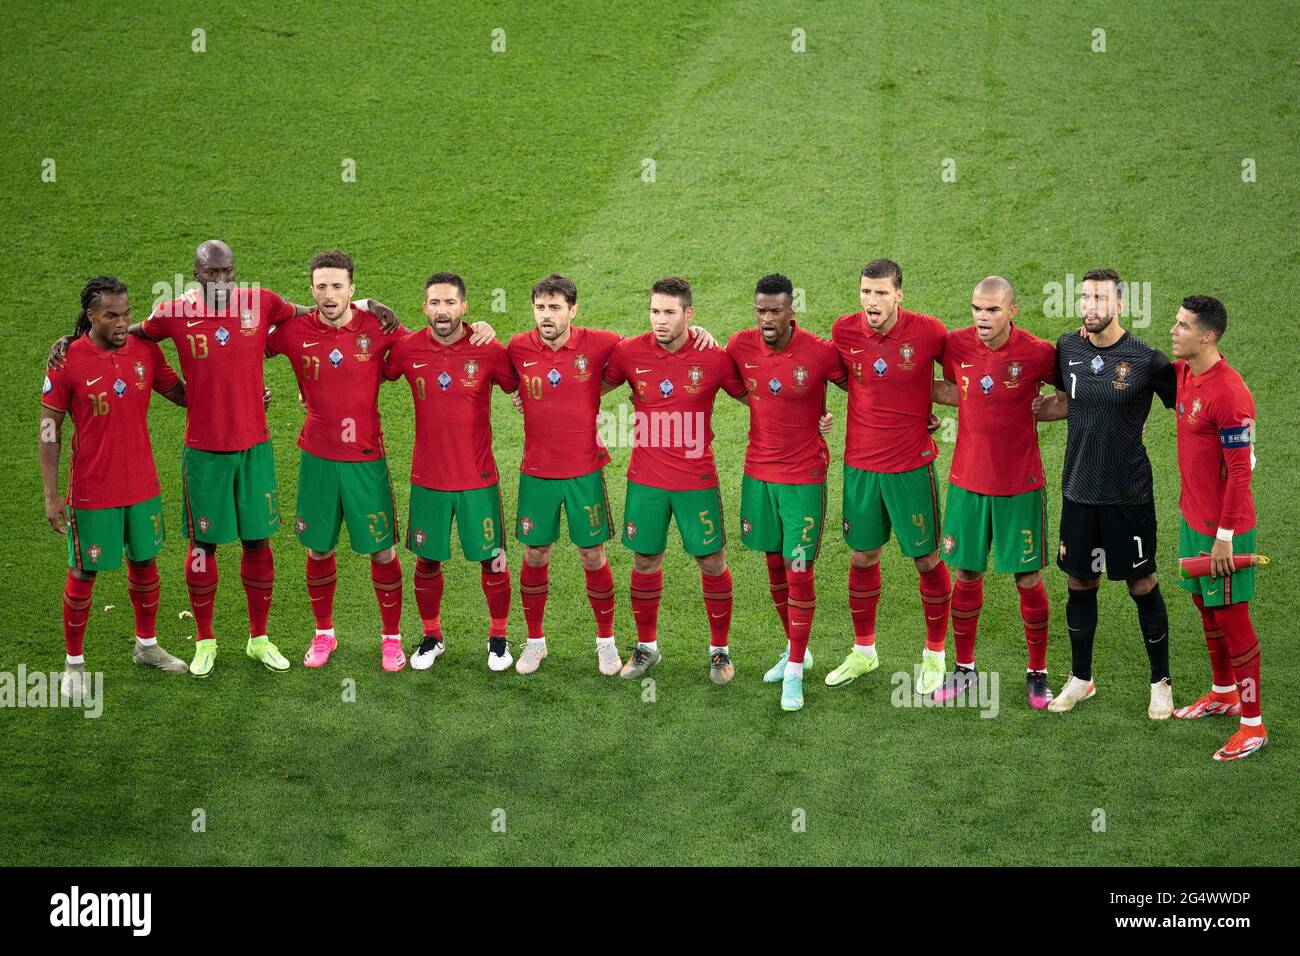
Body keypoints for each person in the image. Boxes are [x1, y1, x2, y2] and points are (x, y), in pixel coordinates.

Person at [47, 240, 402, 678]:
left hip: (255, 447)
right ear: (196, 274)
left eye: (227, 272)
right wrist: (75, 338)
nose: (220, 281)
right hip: (203, 451)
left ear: (236, 272)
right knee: (202, 547)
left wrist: (365, 301)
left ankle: (259, 639)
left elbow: (318, 310)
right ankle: (205, 642)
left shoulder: (263, 303)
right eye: (210, 273)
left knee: (258, 542)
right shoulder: (174, 313)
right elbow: (127, 331)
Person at [1032, 269, 1177, 718]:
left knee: (1142, 582)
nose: (1089, 308)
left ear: (1119, 305)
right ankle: (1081, 678)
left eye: (1099, 300)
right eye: (1084, 299)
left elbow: (1188, 407)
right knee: (1079, 581)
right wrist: (1031, 412)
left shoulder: (1147, 360)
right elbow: (1065, 401)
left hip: (1128, 495)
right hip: (1079, 490)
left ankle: (1161, 682)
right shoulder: (1068, 347)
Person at [39, 276, 189, 700]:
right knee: (84, 571)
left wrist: (243, 396)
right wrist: (52, 494)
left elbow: (181, 394)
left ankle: (147, 646)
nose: (123, 322)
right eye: (112, 316)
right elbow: (49, 428)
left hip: (141, 483)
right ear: (91, 316)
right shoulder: (67, 360)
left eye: (126, 313)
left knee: (145, 564)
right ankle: (73, 665)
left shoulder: (144, 350)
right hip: (92, 489)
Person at [603, 276, 748, 683]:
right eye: (654, 311)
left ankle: (719, 651)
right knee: (645, 559)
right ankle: (647, 648)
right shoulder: (629, 352)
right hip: (645, 480)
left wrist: (815, 417)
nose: (660, 320)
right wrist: (527, 394)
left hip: (696, 480)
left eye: (669, 312)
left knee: (712, 560)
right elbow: (584, 387)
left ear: (689, 315)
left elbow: (758, 399)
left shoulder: (714, 358)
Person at [825, 259, 953, 695]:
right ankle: (864, 652)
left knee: (927, 560)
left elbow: (960, 381)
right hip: (860, 466)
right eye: (865, 292)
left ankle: (935, 654)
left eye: (881, 293)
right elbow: (845, 377)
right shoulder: (843, 330)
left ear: (899, 294)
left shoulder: (929, 331)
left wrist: (924, 404)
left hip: (910, 468)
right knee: (862, 557)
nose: (872, 302)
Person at [933, 276, 1058, 709]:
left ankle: (1038, 673)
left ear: (1012, 312)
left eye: (992, 310)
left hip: (1020, 484)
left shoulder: (1038, 353)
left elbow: (1070, 394)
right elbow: (954, 389)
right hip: (967, 482)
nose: (982, 318)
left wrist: (1048, 409)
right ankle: (964, 670)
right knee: (966, 574)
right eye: (976, 309)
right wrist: (920, 408)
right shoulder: (956, 345)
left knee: (1027, 577)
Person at [384, 273, 519, 671]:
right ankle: (431, 637)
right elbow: (369, 367)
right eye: (434, 303)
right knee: (427, 561)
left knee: (493, 559)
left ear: (465, 307)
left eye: (450, 303)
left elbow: (520, 388)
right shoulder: (408, 349)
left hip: (478, 478)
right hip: (429, 479)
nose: (442, 311)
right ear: (424, 308)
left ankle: (498, 639)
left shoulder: (489, 349)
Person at [727, 273, 846, 711]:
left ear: (792, 309)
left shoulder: (818, 353)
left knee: (799, 570)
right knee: (774, 564)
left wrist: (822, 416)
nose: (766, 319)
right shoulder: (741, 346)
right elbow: (734, 384)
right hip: (759, 476)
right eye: (760, 310)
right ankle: (799, 649)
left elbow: (864, 387)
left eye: (775, 310)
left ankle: (794, 669)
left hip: (803, 481)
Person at [1167, 295, 1266, 761]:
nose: (1174, 330)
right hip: (1194, 518)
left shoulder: (1229, 393)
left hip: (1223, 529)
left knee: (1232, 618)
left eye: (1183, 326)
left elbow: (1241, 471)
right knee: (1206, 608)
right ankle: (1223, 692)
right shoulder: (1187, 372)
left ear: (1207, 336)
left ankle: (1253, 725)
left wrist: (1225, 536)